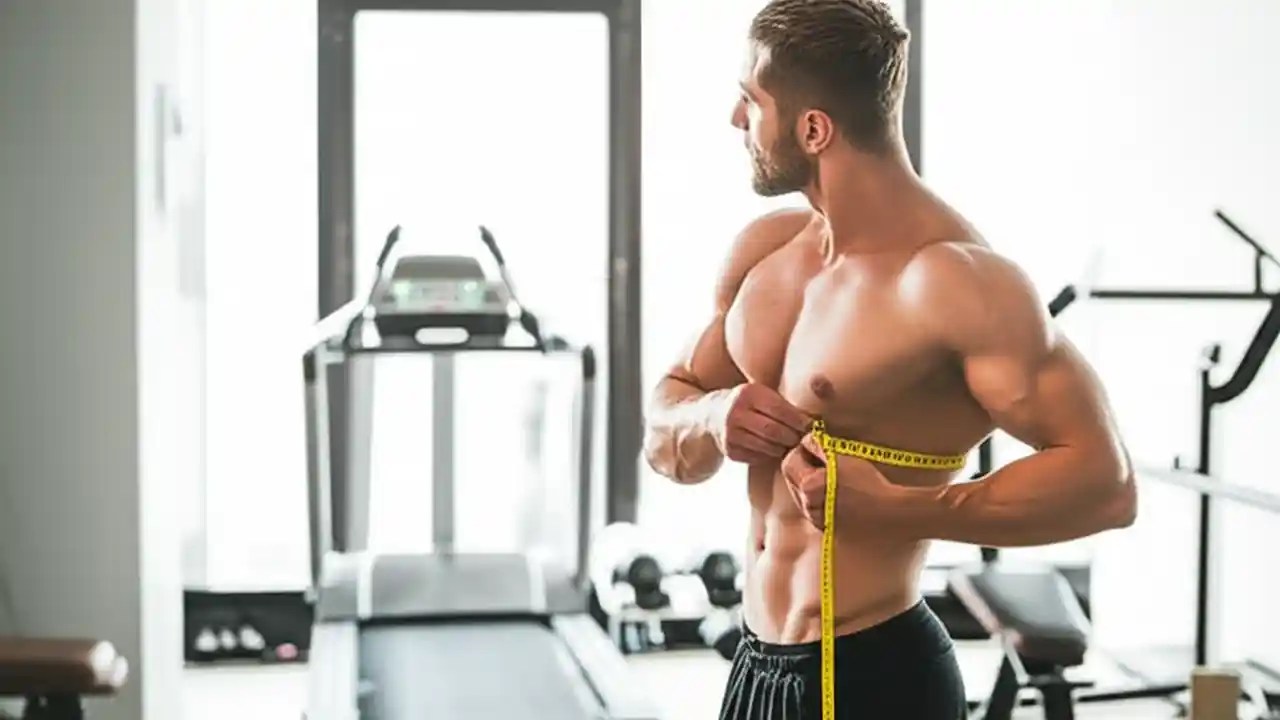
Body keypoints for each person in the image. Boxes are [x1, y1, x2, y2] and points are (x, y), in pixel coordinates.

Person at [641, 1, 1139, 718]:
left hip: (875, 672)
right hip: (754, 666)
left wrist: (906, 510)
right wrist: (715, 416)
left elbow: (1107, 484)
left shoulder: (954, 281)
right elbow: (667, 427)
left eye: (750, 100)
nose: (733, 119)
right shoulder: (767, 253)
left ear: (813, 128)